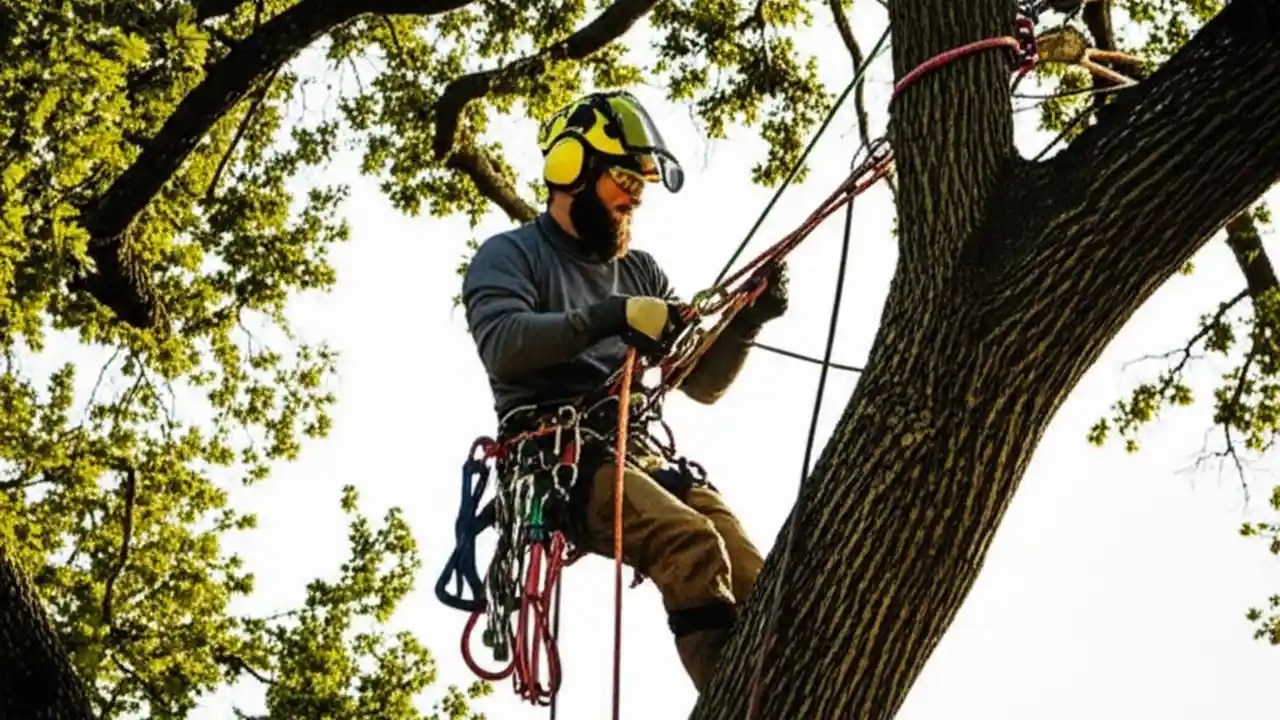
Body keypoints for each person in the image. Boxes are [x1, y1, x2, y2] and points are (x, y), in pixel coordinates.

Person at [460, 90, 789, 692]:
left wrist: (747, 320)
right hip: (562, 461)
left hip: (641, 453)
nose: (636, 196)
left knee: (753, 573)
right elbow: (504, 343)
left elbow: (700, 383)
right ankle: (730, 702)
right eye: (624, 179)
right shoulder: (510, 256)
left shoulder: (641, 271)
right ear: (571, 168)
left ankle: (791, 696)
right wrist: (610, 316)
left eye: (642, 184)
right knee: (689, 544)